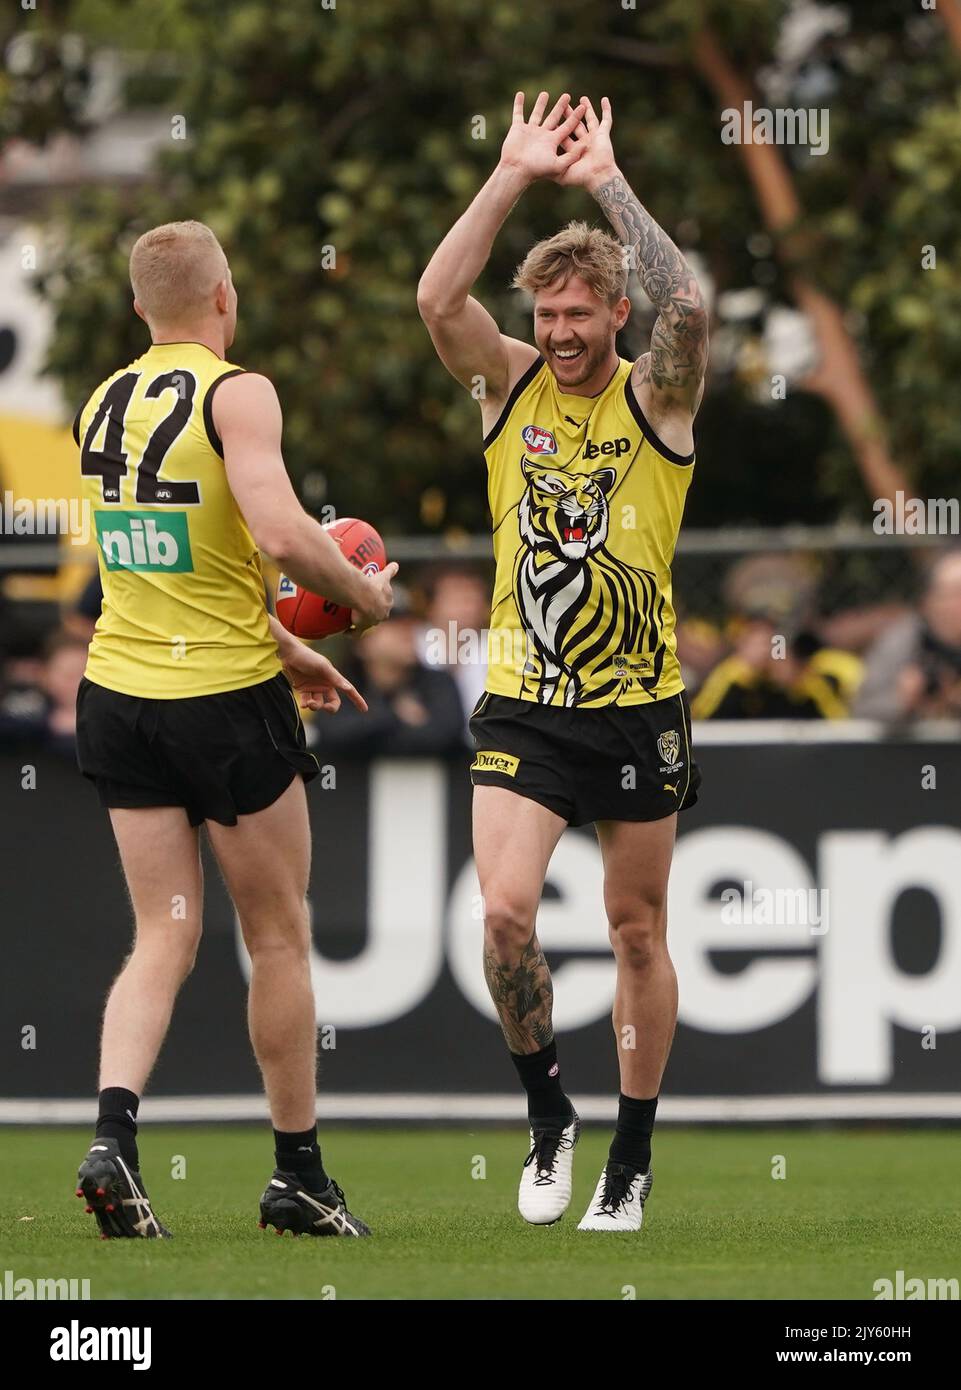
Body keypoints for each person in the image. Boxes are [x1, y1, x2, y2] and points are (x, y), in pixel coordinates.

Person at [71, 220, 396, 1239]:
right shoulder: (236, 390)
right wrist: (365, 600)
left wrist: (286, 642)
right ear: (224, 297)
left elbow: (161, 558)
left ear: (138, 309)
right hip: (222, 703)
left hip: (120, 694)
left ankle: (112, 1140)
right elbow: (281, 532)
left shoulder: (103, 400)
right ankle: (297, 1174)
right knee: (278, 935)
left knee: (163, 932)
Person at [418, 93, 707, 1231]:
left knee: (636, 930)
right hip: (527, 706)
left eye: (579, 313)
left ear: (614, 312)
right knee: (502, 917)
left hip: (638, 707)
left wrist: (604, 181)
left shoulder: (658, 394)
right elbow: (438, 299)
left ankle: (629, 1159)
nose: (558, 333)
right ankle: (549, 1114)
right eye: (544, 314)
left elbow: (689, 301)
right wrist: (508, 175)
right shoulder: (508, 385)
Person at [854, 548, 961, 721]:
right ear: (929, 600)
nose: (956, 605)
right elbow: (862, 709)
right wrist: (901, 701)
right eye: (952, 594)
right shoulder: (903, 640)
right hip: (912, 745)